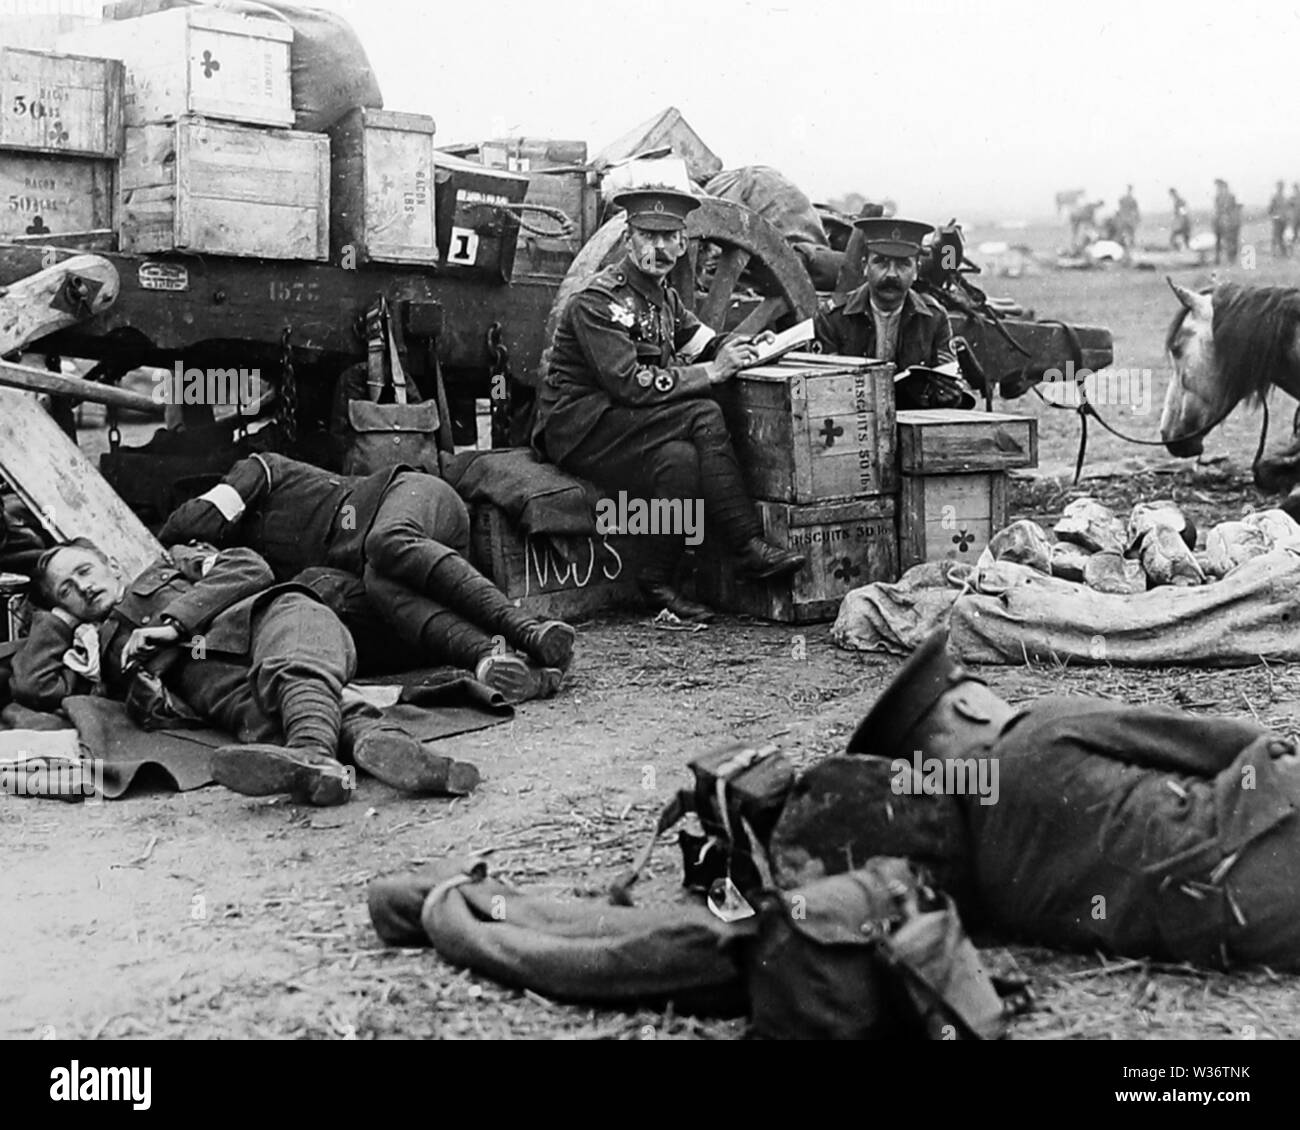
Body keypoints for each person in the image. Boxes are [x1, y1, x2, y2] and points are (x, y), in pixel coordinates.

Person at [840, 629, 1300, 971]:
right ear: (969, 708)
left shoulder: (985, 883)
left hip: (1247, 932)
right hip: (1271, 842)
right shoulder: (1036, 733)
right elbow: (1220, 740)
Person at [11, 539, 480, 806]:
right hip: (211, 681)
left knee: (295, 661)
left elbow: (248, 565)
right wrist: (60, 621)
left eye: (86, 571)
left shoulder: (171, 563)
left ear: (111, 564)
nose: (84, 587)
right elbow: (35, 687)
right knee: (273, 713)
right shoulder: (97, 652)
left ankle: (314, 757)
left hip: (264, 619)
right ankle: (391, 753)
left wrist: (174, 624)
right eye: (68, 590)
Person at [530, 185, 806, 622]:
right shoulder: (599, 302)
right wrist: (712, 373)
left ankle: (656, 580)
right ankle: (745, 545)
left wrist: (741, 344)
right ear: (628, 239)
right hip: (581, 429)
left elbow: (702, 342)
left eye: (668, 238)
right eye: (647, 236)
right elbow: (629, 385)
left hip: (627, 427)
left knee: (679, 461)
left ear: (682, 243)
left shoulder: (664, 298)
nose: (657, 248)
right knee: (703, 411)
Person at [159, 454, 574, 703]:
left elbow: (196, 519)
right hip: (399, 572)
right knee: (377, 581)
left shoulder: (257, 469)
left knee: (386, 542)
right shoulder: (250, 568)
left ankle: (528, 630)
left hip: (415, 499)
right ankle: (494, 660)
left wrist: (182, 549)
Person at [814, 217, 971, 410]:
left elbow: (948, 385)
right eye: (881, 262)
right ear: (865, 266)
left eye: (903, 264)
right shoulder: (832, 318)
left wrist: (950, 396)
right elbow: (820, 394)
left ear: (916, 271)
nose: (891, 274)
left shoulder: (934, 318)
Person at [1214, 179, 1240, 265]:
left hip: (1230, 221)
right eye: (1218, 187)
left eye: (1220, 187)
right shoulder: (1217, 197)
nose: (1219, 189)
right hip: (1221, 221)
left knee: (1231, 240)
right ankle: (1218, 258)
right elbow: (1218, 209)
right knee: (1219, 240)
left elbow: (1233, 208)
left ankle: (1231, 259)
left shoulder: (1231, 197)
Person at [1116, 184, 1140, 250]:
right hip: (1127, 219)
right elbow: (1135, 210)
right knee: (1127, 233)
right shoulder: (1131, 199)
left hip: (1126, 219)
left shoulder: (1125, 199)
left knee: (1128, 233)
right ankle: (1126, 246)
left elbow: (1135, 210)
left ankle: (1127, 246)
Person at [1270, 180, 1290, 258]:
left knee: (1279, 236)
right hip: (1279, 219)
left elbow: (1286, 209)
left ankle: (1280, 252)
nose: (1281, 188)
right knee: (1277, 236)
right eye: (1280, 186)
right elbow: (1271, 209)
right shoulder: (1277, 197)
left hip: (1281, 219)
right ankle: (1276, 252)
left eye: (1281, 186)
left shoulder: (1282, 198)